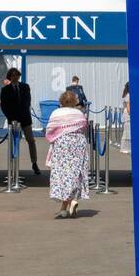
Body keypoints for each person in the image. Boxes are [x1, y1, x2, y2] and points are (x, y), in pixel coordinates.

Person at [45, 90, 91, 218]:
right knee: (76, 173)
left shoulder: (56, 113)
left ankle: (68, 205)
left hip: (63, 143)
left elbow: (50, 129)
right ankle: (66, 206)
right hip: (78, 143)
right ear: (75, 101)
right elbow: (84, 126)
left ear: (61, 101)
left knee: (63, 173)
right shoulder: (79, 113)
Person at [0, 67, 40, 175]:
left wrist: (23, 114)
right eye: (13, 75)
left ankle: (34, 162)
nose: (15, 77)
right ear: (10, 77)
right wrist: (10, 118)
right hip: (12, 120)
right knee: (13, 142)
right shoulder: (5, 90)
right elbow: (4, 106)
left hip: (25, 118)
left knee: (31, 140)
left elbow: (27, 102)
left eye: (17, 75)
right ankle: (12, 164)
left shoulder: (25, 87)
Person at [120, 82, 131, 155]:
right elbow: (128, 106)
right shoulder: (128, 95)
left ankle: (125, 147)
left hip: (126, 113)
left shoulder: (125, 94)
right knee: (128, 131)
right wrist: (130, 113)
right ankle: (126, 148)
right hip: (128, 114)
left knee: (126, 130)